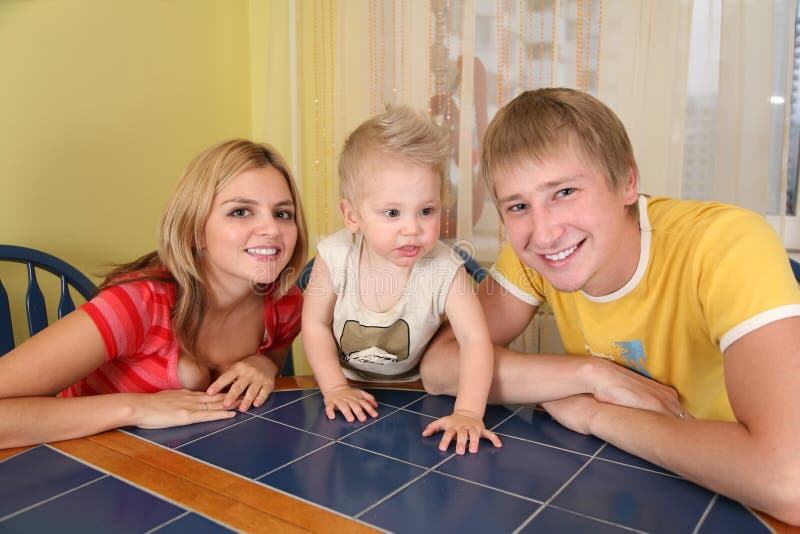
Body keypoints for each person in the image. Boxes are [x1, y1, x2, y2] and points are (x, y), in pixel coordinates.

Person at [421, 88, 800, 524]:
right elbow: (439, 366)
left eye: (564, 191)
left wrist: (593, 413)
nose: (543, 234)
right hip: (640, 483)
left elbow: (788, 481)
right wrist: (588, 375)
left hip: (744, 501)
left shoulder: (728, 246)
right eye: (519, 206)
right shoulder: (535, 258)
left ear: (626, 181)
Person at [0, 138, 308, 449]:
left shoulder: (285, 304)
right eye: (241, 212)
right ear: (194, 228)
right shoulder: (137, 305)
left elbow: (272, 356)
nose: (271, 229)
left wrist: (264, 365)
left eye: (283, 214)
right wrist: (135, 408)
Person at [301, 105, 502, 454]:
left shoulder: (445, 269)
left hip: (419, 393)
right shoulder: (335, 257)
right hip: (346, 386)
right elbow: (315, 325)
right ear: (352, 216)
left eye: (427, 210)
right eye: (392, 213)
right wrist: (334, 388)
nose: (413, 228)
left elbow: (474, 340)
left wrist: (468, 412)